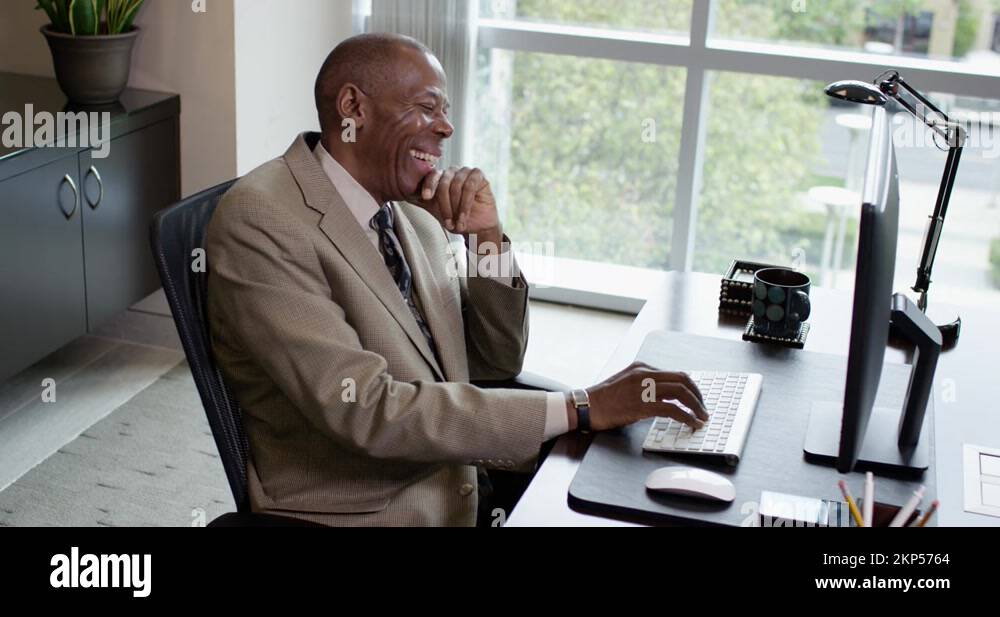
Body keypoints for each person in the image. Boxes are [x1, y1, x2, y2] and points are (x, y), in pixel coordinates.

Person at [205, 32, 706, 526]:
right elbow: (367, 411)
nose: (446, 128)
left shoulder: (412, 216)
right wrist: (578, 408)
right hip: (367, 515)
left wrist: (486, 238)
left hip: (467, 490)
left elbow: (495, 358)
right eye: (427, 107)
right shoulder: (262, 221)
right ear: (353, 107)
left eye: (445, 111)